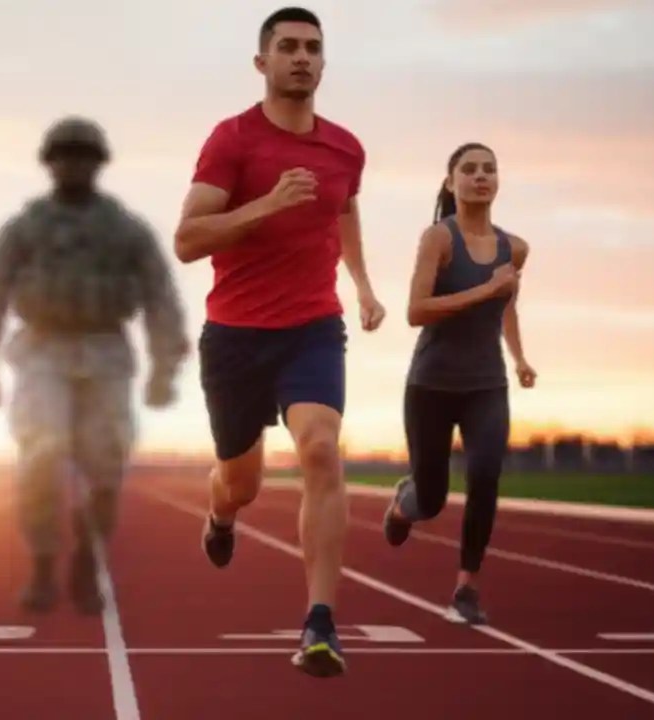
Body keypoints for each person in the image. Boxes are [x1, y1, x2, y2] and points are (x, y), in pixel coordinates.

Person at [172, 7, 385, 678]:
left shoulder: (346, 148)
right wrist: (266, 205)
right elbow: (186, 241)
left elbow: (344, 209)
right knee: (242, 483)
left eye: (312, 48)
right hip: (235, 336)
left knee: (321, 449)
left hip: (312, 330)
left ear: (324, 64)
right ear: (262, 63)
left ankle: (320, 622)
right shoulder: (232, 140)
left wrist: (363, 283)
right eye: (287, 47)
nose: (301, 57)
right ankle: (219, 512)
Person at [0, 116, 190, 616]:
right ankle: (42, 564)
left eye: (84, 156)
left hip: (106, 352)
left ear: (98, 164)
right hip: (42, 351)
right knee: (41, 453)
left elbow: (159, 297)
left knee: (106, 465)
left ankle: (86, 559)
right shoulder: (25, 229)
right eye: (64, 155)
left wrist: (164, 366)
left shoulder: (126, 230)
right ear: (50, 163)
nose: (74, 164)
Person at [381, 141, 535, 626]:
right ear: (452, 183)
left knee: (486, 475)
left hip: (486, 384)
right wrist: (485, 288)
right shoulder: (438, 239)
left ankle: (466, 587)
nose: (480, 176)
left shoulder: (516, 249)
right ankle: (405, 505)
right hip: (431, 384)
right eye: (469, 169)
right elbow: (415, 311)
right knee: (431, 498)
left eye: (489, 169)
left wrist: (519, 357)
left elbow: (506, 305)